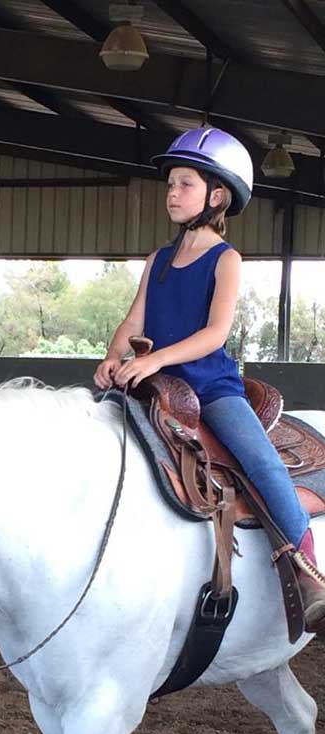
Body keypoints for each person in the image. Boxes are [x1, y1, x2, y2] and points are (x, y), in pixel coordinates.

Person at [93, 126, 325, 634]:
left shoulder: (226, 259)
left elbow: (215, 333)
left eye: (184, 184)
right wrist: (113, 357)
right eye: (170, 184)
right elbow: (133, 322)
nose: (172, 193)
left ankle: (307, 569)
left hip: (210, 388)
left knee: (261, 462)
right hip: (155, 386)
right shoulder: (158, 259)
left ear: (216, 195)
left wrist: (154, 361)